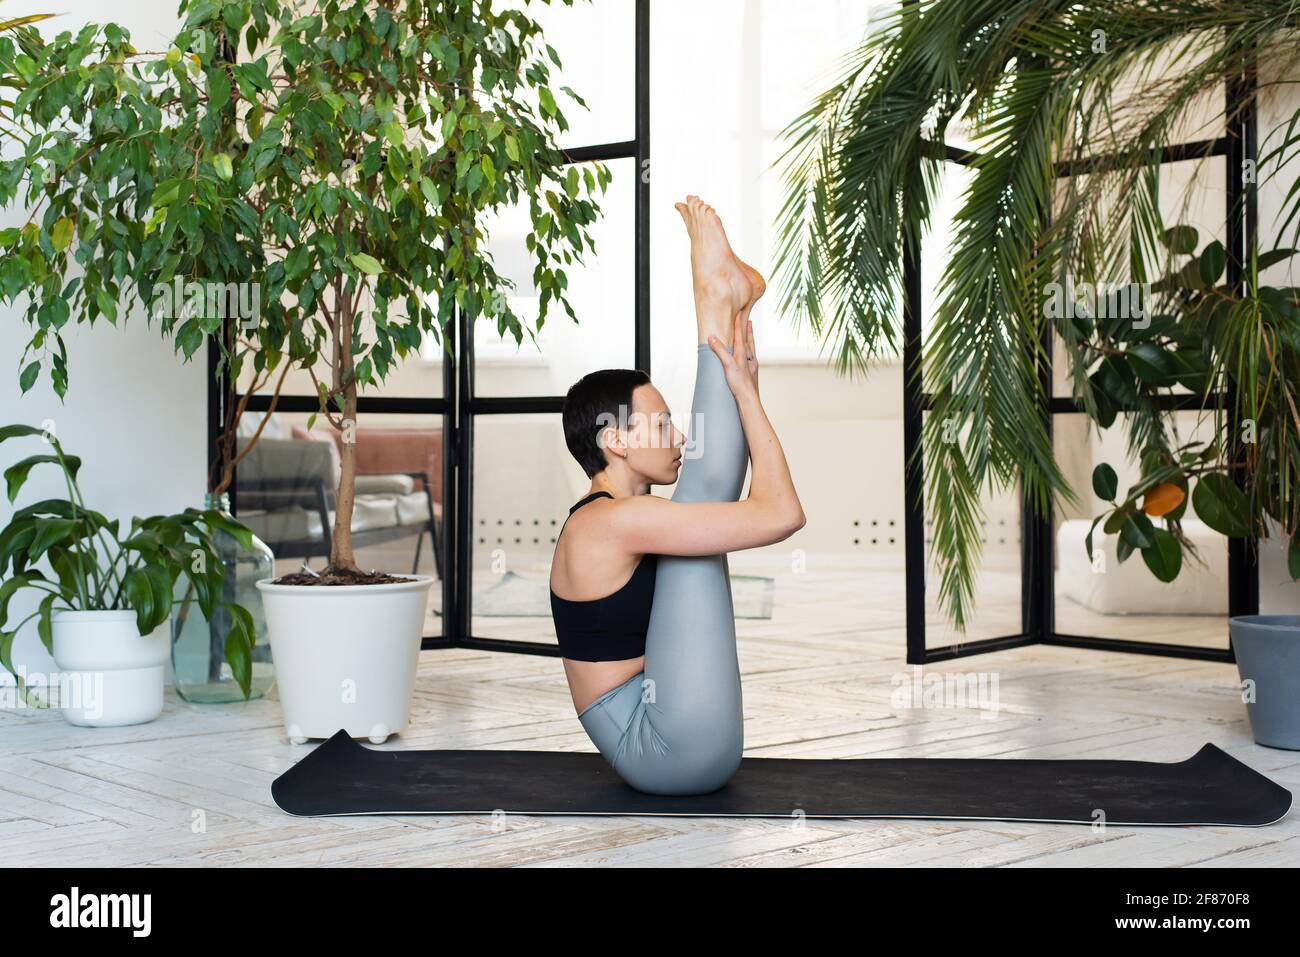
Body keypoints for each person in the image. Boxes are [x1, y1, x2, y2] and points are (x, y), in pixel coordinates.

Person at [549, 195, 805, 795]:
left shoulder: (620, 518)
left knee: (702, 509)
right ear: (613, 440)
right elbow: (782, 513)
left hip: (673, 733)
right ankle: (715, 303)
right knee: (701, 513)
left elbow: (735, 499)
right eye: (661, 424)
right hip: (662, 747)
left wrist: (746, 388)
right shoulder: (613, 524)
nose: (680, 437)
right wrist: (746, 395)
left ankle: (718, 302)